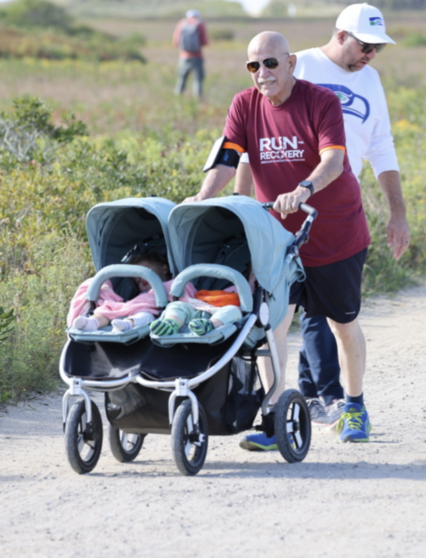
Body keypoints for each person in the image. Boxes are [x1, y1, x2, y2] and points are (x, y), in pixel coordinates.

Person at [185, 31, 373, 446]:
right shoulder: (244, 104)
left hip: (334, 232)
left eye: (271, 63)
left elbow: (333, 160)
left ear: (290, 63)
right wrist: (203, 197)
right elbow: (228, 157)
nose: (262, 73)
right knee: (272, 328)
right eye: (254, 65)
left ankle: (354, 407)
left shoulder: (321, 101)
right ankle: (274, 418)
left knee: (342, 325)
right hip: (279, 240)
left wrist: (304, 189)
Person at [235, 3, 410, 429]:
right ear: (341, 35)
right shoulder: (296, 67)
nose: (371, 54)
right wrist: (239, 209)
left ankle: (336, 400)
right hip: (283, 219)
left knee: (334, 318)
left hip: (335, 216)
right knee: (286, 320)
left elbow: (381, 146)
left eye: (378, 48)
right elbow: (246, 146)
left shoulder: (370, 79)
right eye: (365, 46)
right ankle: (303, 405)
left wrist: (397, 212)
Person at [67, 254, 189, 332]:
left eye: (144, 273)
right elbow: (132, 303)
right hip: (133, 307)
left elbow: (185, 295)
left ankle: (127, 324)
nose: (140, 279)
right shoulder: (142, 295)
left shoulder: (172, 284)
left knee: (145, 315)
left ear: (164, 268)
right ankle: (92, 322)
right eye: (137, 280)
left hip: (150, 311)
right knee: (107, 308)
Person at [172, 10, 208, 99]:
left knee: (181, 78)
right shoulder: (200, 24)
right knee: (198, 79)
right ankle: (198, 99)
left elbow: (175, 42)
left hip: (184, 56)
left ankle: (178, 97)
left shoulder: (181, 23)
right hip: (197, 56)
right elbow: (204, 42)